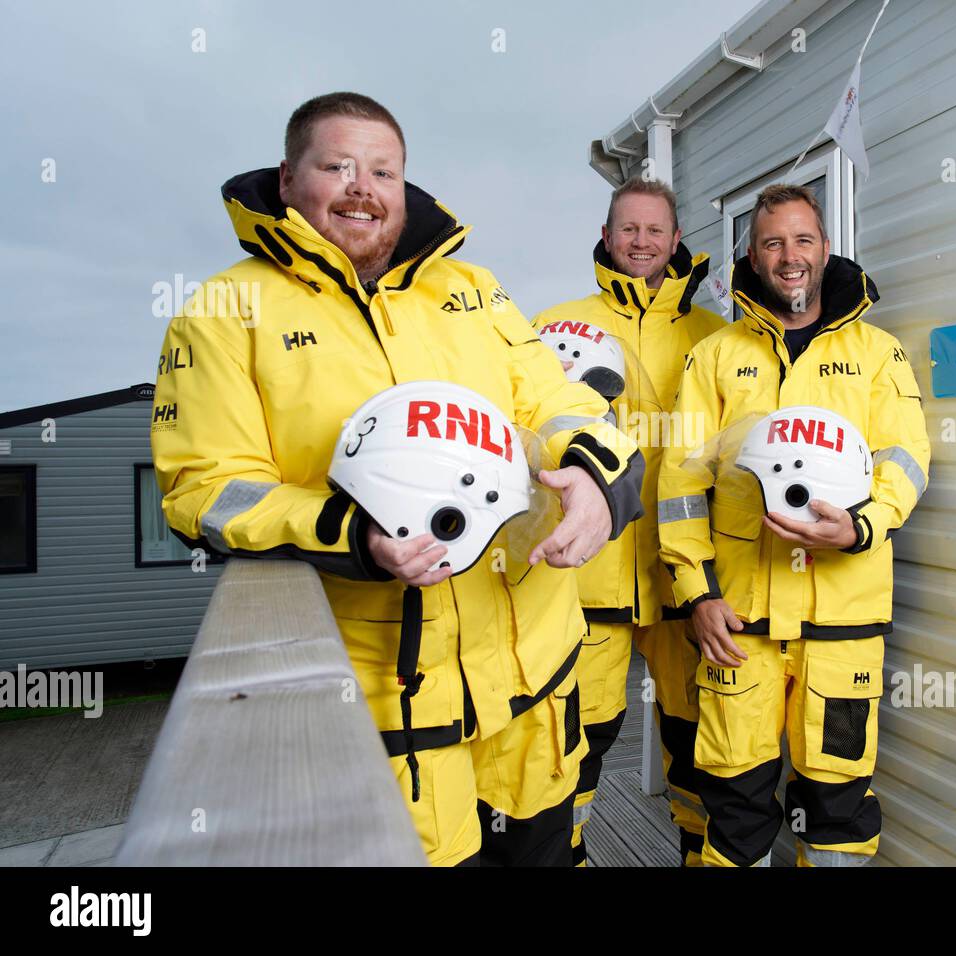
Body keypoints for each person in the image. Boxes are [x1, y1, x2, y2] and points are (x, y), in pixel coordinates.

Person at [151, 92, 644, 866]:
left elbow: (555, 399)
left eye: (382, 169)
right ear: (287, 179)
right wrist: (351, 533)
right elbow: (205, 491)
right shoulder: (223, 312)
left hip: (534, 682)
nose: (362, 186)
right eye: (336, 165)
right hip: (388, 707)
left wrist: (590, 472)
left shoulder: (471, 290)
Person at [657, 183, 930, 866]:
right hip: (740, 622)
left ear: (826, 248)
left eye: (803, 239)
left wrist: (860, 528)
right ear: (751, 254)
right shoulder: (716, 356)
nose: (790, 256)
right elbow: (682, 482)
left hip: (844, 623)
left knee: (835, 807)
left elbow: (907, 457)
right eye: (773, 242)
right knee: (733, 802)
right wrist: (697, 593)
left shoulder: (876, 353)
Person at [532, 179, 722, 866]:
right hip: (589, 578)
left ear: (676, 240)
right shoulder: (556, 327)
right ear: (607, 236)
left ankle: (699, 856)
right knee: (574, 744)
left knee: (698, 741)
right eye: (628, 229)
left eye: (654, 230)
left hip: (684, 583)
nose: (641, 241)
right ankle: (568, 855)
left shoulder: (717, 336)